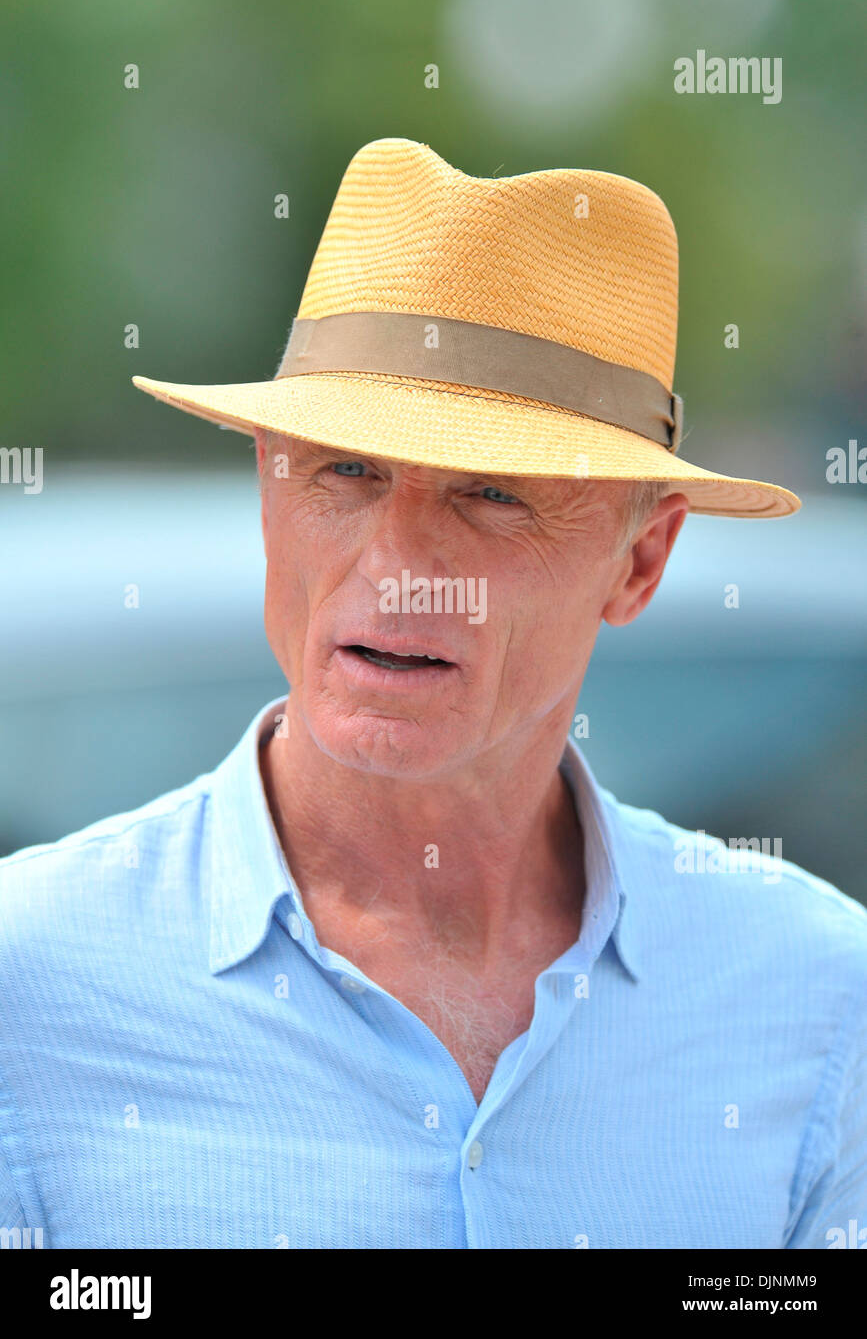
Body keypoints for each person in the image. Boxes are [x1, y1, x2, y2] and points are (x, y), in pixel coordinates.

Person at [1, 138, 863, 1250]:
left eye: (493, 495)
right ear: (268, 487)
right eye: (344, 470)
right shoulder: (29, 988)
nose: (396, 561)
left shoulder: (816, 1004)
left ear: (641, 561)